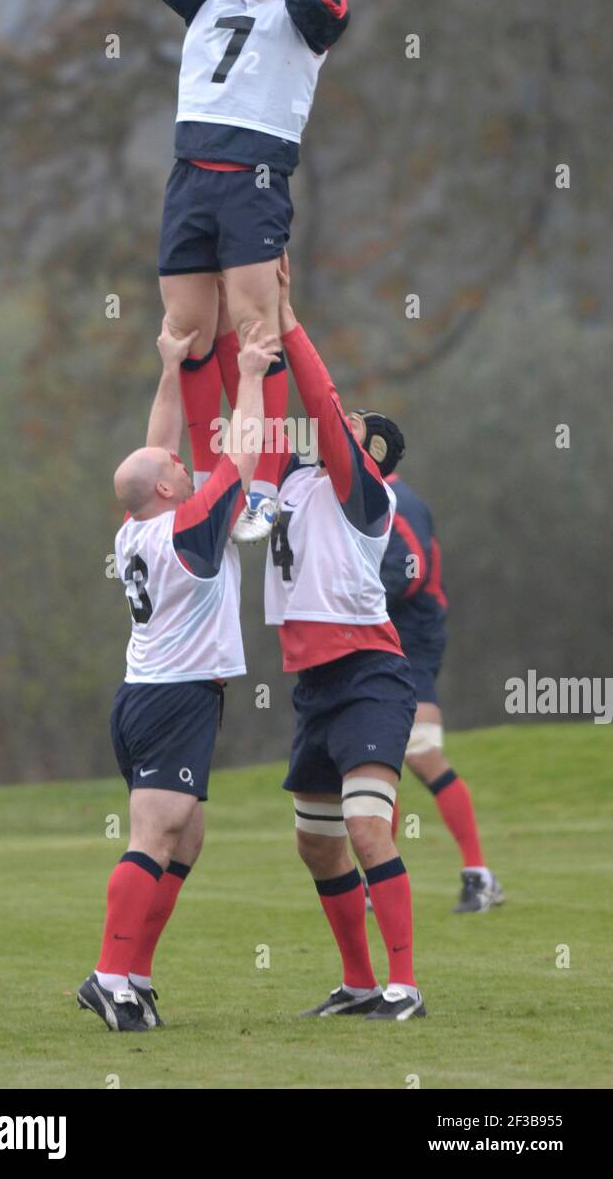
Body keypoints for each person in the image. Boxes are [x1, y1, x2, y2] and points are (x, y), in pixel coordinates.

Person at [134, 0, 349, 542]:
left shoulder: (307, 16)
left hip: (254, 181)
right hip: (190, 175)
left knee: (259, 332)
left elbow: (324, 0)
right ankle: (207, 480)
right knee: (188, 334)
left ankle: (263, 487)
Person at [77, 318, 278, 1032]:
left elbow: (154, 448)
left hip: (154, 697)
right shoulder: (188, 528)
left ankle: (134, 971)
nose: (183, 463)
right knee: (155, 835)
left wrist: (170, 368)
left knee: (185, 839)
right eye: (175, 468)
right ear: (166, 488)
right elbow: (245, 457)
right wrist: (250, 375)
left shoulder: (136, 527)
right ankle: (109, 977)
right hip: (172, 700)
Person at [249, 255, 424, 1021]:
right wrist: (250, 341)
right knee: (317, 844)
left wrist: (287, 314)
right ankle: (358, 984)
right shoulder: (289, 481)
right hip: (314, 685)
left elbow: (316, 397)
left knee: (364, 825)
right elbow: (267, 410)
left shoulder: (362, 491)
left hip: (370, 673)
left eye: (355, 427)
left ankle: (404, 986)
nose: (340, 423)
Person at [380, 475, 505, 913]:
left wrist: (361, 595)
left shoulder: (397, 497)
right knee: (377, 756)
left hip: (411, 636)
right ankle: (378, 883)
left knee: (421, 752)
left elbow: (411, 569)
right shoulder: (356, 490)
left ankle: (480, 875)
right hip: (379, 636)